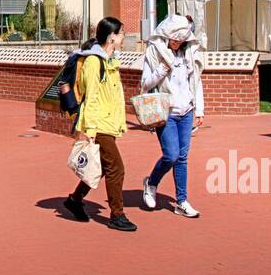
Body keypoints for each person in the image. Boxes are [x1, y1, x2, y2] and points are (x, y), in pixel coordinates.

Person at [63, 16, 136, 232]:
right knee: (117, 168)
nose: (124, 36)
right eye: (121, 33)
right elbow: (92, 97)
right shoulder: (94, 62)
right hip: (97, 125)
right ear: (111, 37)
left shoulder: (110, 62)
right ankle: (117, 215)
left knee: (102, 166)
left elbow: (113, 96)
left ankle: (75, 199)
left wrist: (120, 123)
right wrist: (91, 131)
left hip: (108, 124)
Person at [140, 14, 205, 219]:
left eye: (182, 40)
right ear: (167, 36)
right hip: (165, 111)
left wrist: (199, 109)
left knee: (182, 158)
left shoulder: (188, 53)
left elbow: (196, 82)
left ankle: (181, 201)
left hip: (186, 111)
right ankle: (151, 183)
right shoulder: (154, 52)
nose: (178, 43)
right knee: (171, 155)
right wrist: (162, 70)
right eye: (175, 39)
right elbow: (145, 84)